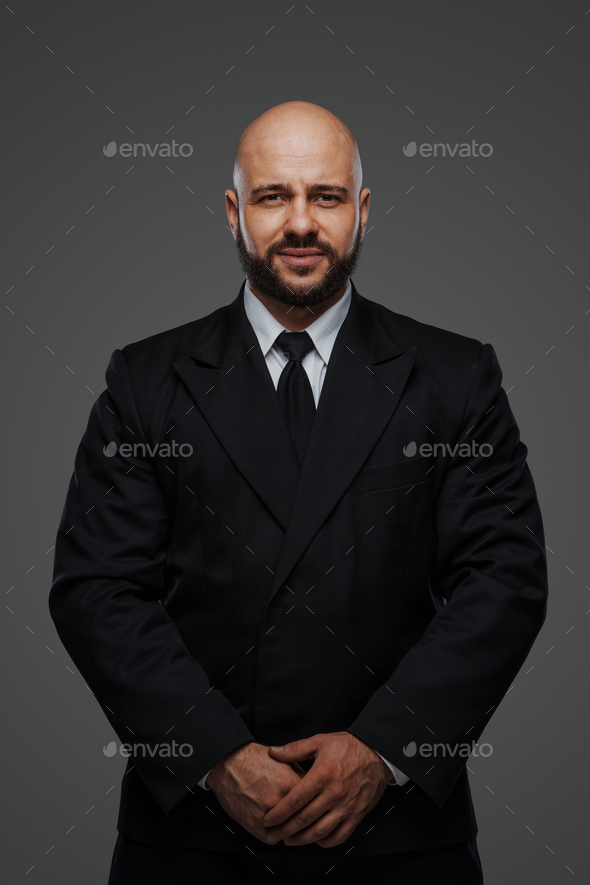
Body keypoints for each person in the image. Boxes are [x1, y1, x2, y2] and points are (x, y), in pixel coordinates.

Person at [49, 101, 548, 884]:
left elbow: (505, 579)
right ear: (233, 212)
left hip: (400, 842)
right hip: (192, 844)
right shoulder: (145, 382)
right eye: (274, 196)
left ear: (364, 210)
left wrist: (384, 750)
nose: (302, 222)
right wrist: (213, 754)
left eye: (327, 195)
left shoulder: (454, 377)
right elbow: (96, 589)